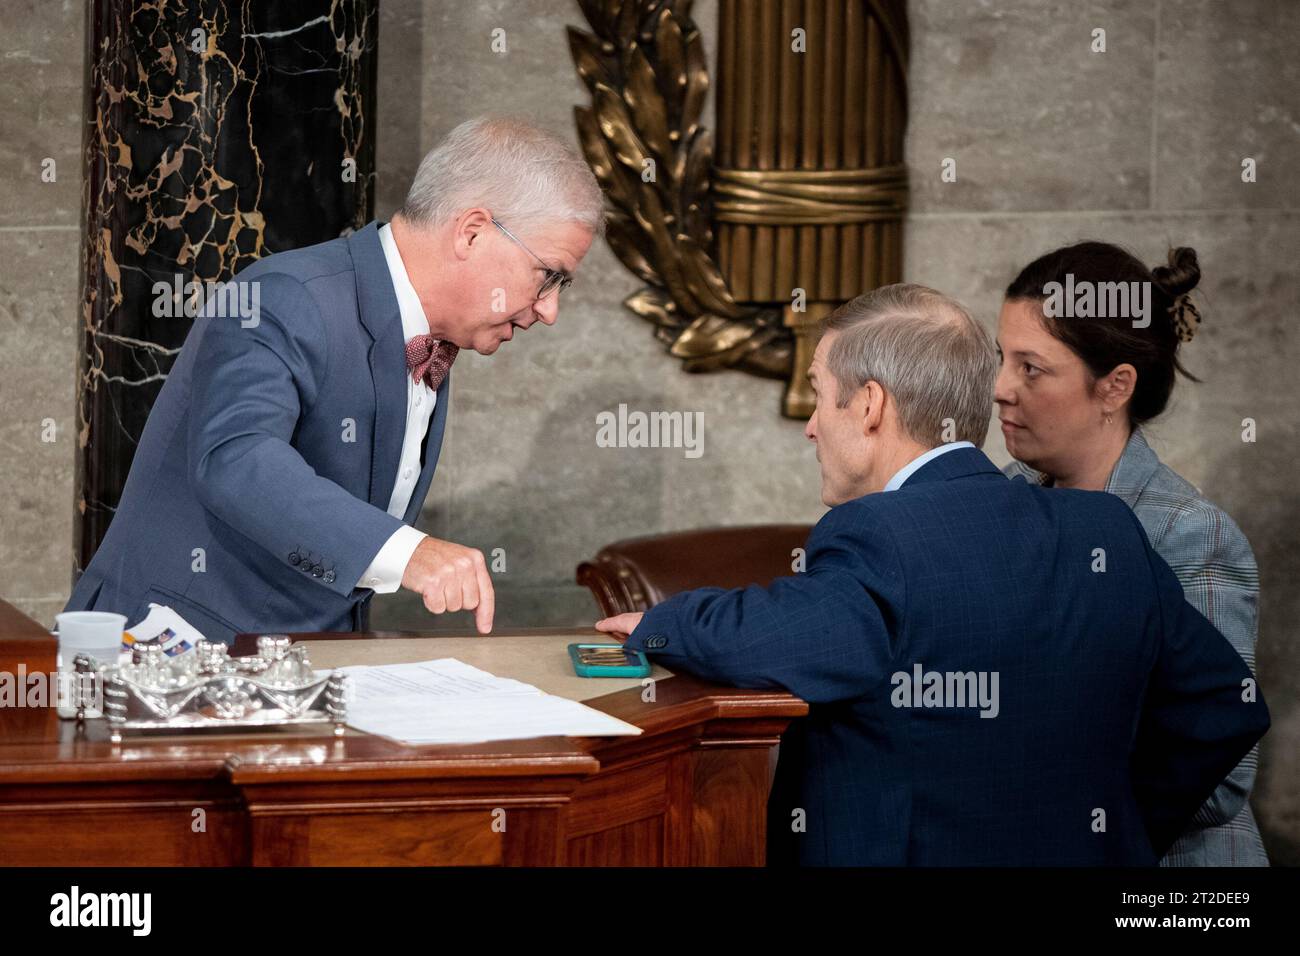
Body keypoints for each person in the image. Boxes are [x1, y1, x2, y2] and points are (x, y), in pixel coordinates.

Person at [595, 283, 1269, 866]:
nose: (810, 428)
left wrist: (660, 624)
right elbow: (1225, 707)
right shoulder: (1106, 530)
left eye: (820, 398)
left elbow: (792, 636)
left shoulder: (878, 534)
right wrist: (1116, 828)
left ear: (870, 406)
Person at [64, 117, 603, 645]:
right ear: (472, 232)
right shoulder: (282, 295)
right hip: (170, 658)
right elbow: (237, 459)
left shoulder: (432, 336)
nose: (550, 310)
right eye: (549, 276)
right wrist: (407, 551)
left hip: (295, 675)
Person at [996, 241, 1267, 865]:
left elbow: (1221, 777)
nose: (1001, 389)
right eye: (1001, 359)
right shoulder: (1004, 500)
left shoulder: (1191, 533)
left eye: (1031, 368)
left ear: (1115, 387)